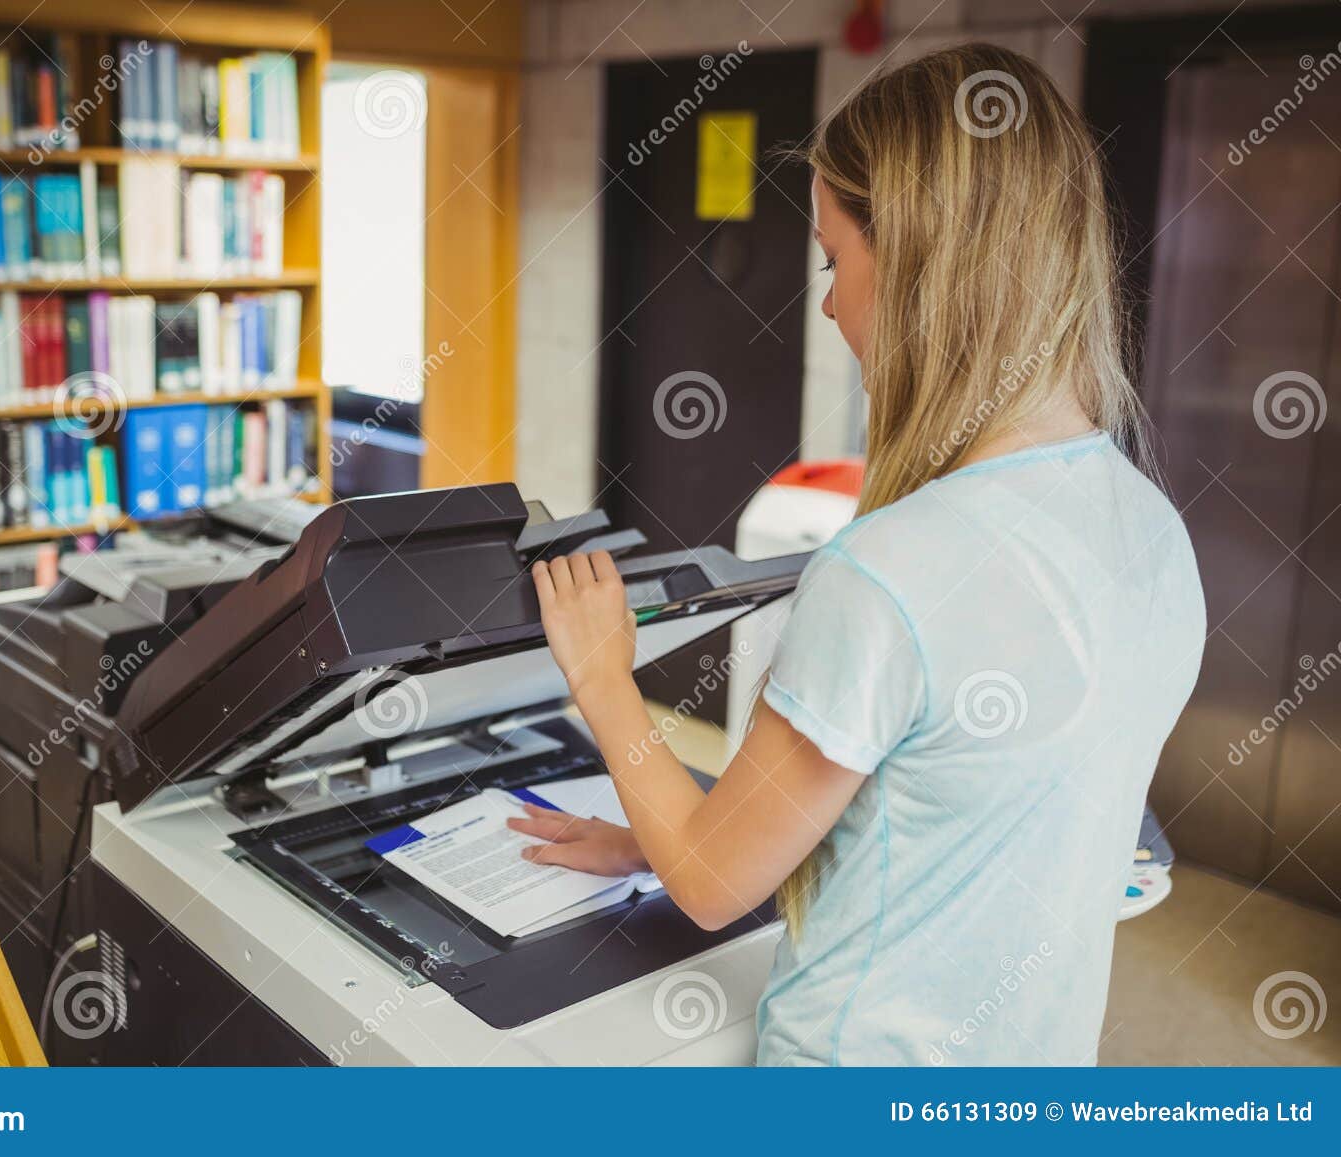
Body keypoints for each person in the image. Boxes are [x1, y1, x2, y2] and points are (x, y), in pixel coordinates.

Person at [510, 42, 1206, 1066]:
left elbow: (708, 884)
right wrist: (663, 831)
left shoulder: (892, 569)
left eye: (835, 259)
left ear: (924, 261)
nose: (827, 301)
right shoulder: (1151, 529)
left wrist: (604, 677)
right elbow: (953, 823)